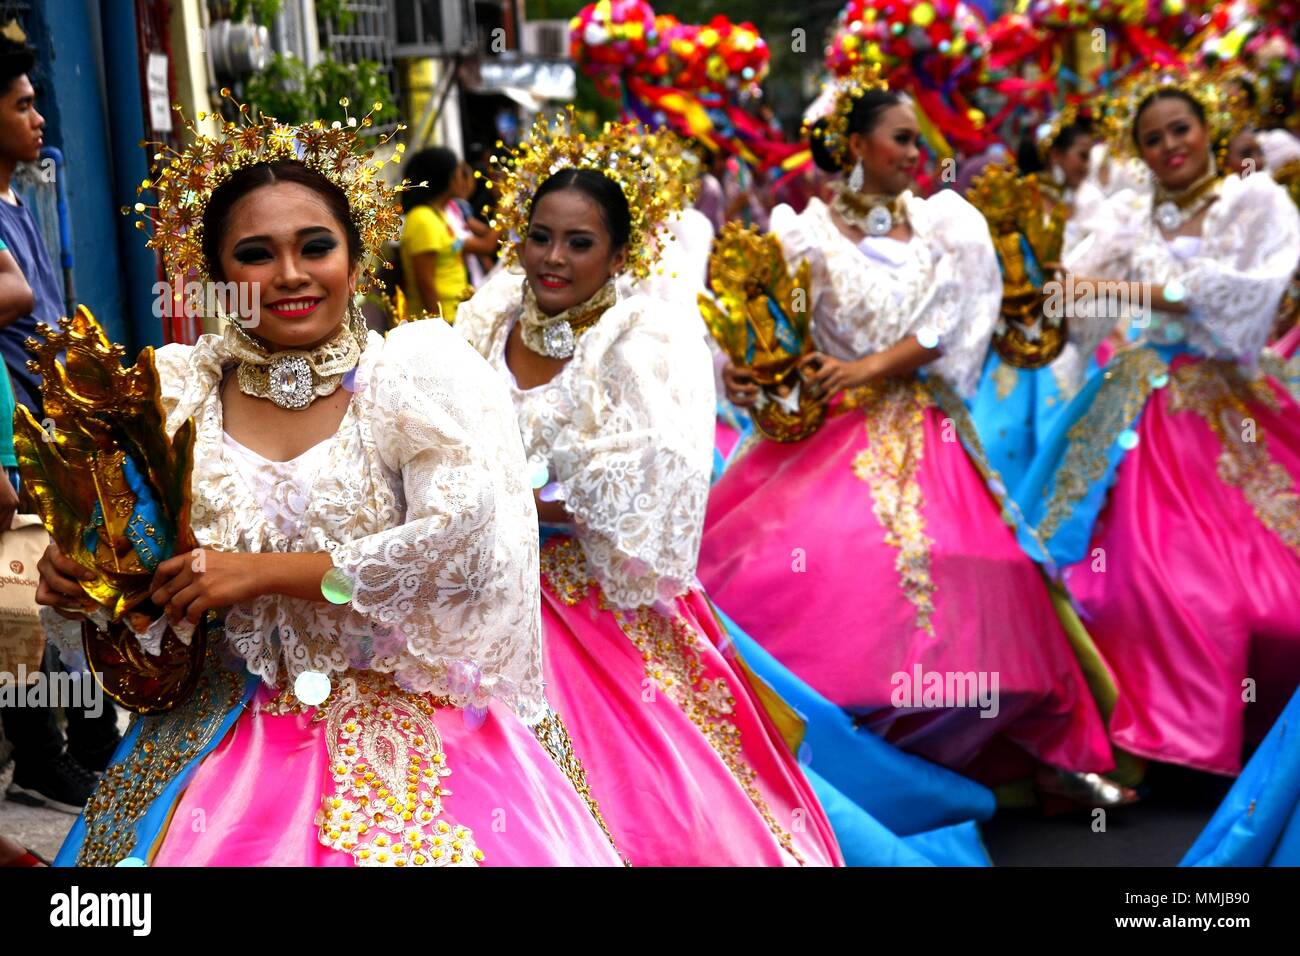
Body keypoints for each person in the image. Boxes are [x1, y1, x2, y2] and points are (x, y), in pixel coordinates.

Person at [36, 106, 622, 866]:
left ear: (354, 257)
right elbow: (147, 590)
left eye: (316, 247)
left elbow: (460, 555)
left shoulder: (415, 378)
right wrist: (93, 583)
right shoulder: (173, 396)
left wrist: (261, 574)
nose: (289, 275)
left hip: (413, 728)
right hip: (217, 737)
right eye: (255, 254)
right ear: (217, 276)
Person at [698, 67, 1124, 805]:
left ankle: (981, 759)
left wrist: (866, 366)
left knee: (981, 566)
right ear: (855, 144)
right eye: (901, 139)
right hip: (828, 432)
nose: (916, 154)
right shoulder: (800, 236)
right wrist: (746, 376)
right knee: (824, 569)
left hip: (928, 427)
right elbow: (776, 339)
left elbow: (945, 326)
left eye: (919, 141)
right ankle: (841, 763)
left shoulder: (945, 226)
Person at [456, 115, 842, 865]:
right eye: (540, 236)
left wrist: (506, 498)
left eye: (579, 243)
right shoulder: (484, 319)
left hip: (590, 594)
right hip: (477, 588)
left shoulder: (641, 336)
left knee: (651, 797)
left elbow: (652, 478)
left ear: (618, 254)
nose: (553, 258)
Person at [1016, 69, 1300, 777]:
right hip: (1137, 405)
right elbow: (1072, 298)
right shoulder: (1125, 212)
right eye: (1152, 139)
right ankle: (1162, 736)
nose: (1170, 146)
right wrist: (1038, 290)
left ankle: (1258, 736)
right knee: (1140, 582)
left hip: (1233, 403)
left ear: (1208, 128)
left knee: (1270, 601)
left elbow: (1231, 303)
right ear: (1136, 152)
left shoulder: (1253, 202)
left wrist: (1107, 287)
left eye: (1181, 129)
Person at [0, 40, 118, 813]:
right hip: (15, 428)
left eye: (37, 103)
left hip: (49, 417)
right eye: (21, 106)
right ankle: (44, 753)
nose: (39, 118)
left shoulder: (17, 202)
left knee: (78, 578)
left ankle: (95, 741)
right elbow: (14, 301)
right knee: (20, 595)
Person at [967, 111, 1102, 490]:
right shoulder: (1027, 209)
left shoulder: (1086, 204)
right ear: (1055, 156)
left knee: (1068, 440)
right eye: (1081, 155)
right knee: (1008, 438)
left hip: (1075, 332)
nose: (1086, 166)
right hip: (1027, 335)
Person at [398, 147, 498, 323]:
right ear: (447, 179)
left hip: (456, 315)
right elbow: (426, 286)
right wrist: (441, 329)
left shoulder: (441, 214)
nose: (465, 180)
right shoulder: (422, 219)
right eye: (460, 174)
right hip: (442, 323)